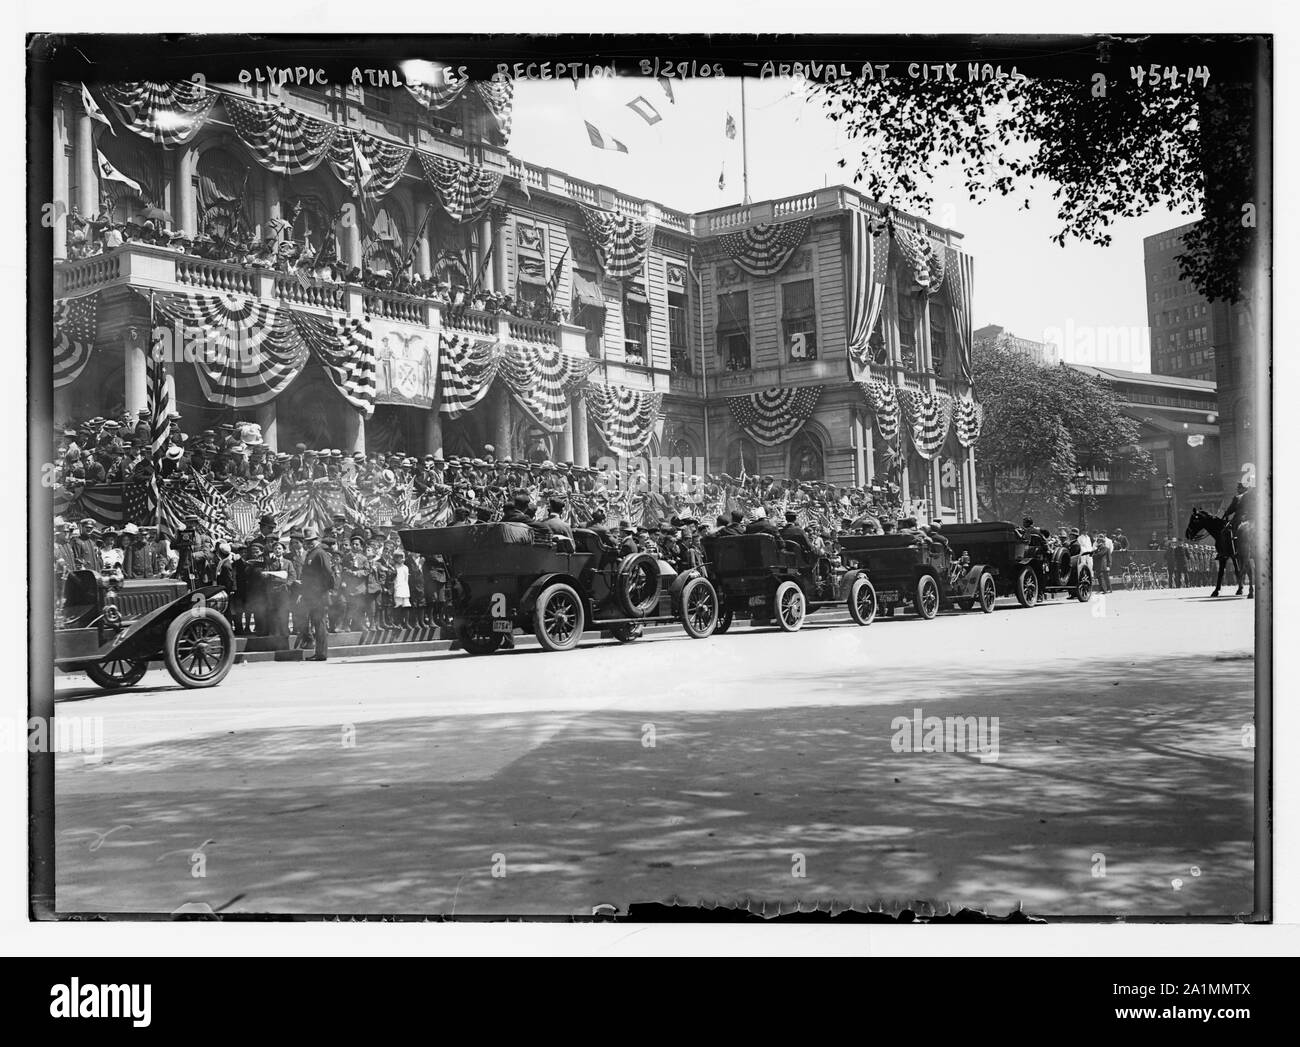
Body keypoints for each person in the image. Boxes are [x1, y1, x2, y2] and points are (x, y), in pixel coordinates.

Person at [299, 526, 336, 661]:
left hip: (319, 596)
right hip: (311, 596)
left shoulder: (320, 553)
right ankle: (318, 652)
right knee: (316, 623)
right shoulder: (310, 553)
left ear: (317, 540)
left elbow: (328, 573)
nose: (309, 543)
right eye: (307, 541)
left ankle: (321, 654)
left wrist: (326, 590)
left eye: (312, 540)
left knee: (319, 624)